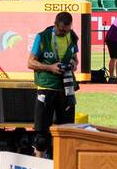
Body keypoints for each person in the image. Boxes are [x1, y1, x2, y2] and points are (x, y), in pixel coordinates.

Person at [26, 12, 79, 159]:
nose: (64, 33)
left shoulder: (72, 36)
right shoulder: (42, 37)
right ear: (55, 24)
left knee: (66, 132)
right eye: (62, 30)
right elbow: (30, 62)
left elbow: (75, 58)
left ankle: (61, 166)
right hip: (47, 87)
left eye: (67, 30)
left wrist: (73, 64)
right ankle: (38, 164)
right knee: (42, 135)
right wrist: (50, 68)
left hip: (66, 89)